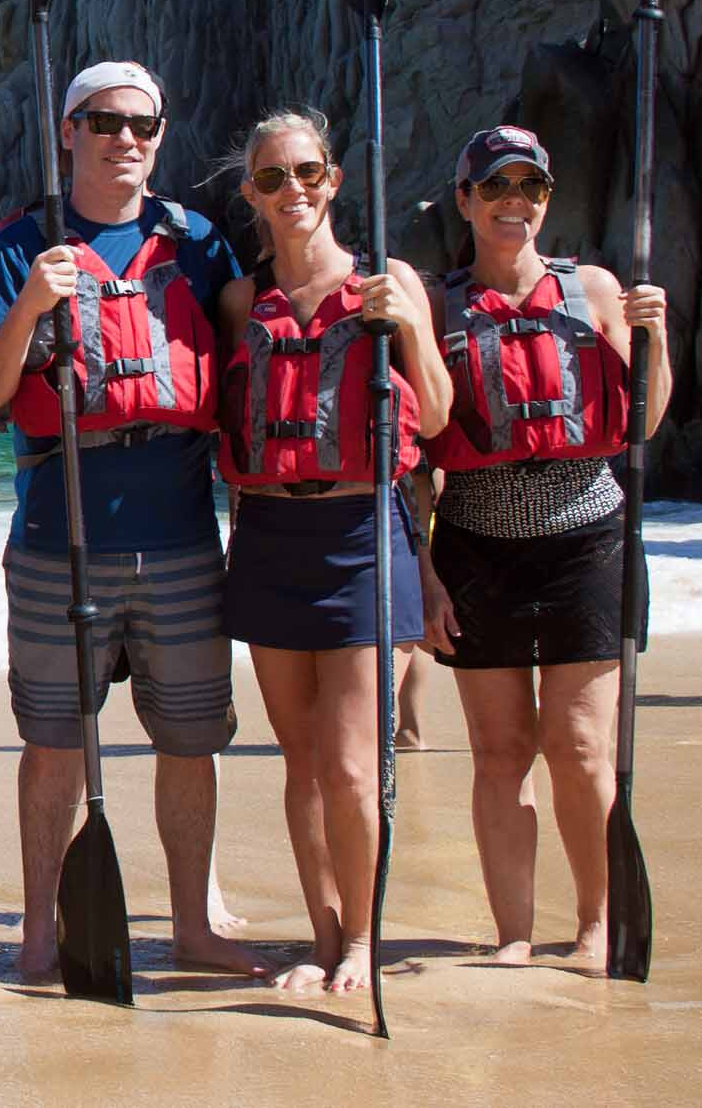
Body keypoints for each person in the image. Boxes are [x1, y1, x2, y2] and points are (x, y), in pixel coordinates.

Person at [0, 60, 268, 982]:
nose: (123, 137)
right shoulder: (22, 244)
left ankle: (193, 924)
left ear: (159, 135)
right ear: (68, 132)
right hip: (62, 543)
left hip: (179, 539)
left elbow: (258, 347)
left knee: (189, 741)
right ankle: (40, 934)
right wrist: (31, 304)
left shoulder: (202, 243)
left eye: (141, 122)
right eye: (102, 122)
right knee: (52, 740)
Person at [214, 108, 454, 995]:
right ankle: (321, 935)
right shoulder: (241, 301)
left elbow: (432, 415)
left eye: (307, 172)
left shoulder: (389, 283)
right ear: (252, 194)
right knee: (302, 761)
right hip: (271, 537)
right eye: (272, 179)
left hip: (361, 534)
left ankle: (362, 940)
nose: (292, 192)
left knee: (355, 764)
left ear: (334, 179)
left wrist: (411, 329)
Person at [421, 125, 671, 967]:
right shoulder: (438, 305)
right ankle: (515, 933)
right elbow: (413, 455)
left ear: (547, 200)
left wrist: (656, 338)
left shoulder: (591, 289)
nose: (513, 204)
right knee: (500, 750)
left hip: (586, 541)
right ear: (466, 201)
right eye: (494, 188)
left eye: (529, 188)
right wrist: (423, 572)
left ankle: (597, 921)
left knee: (579, 744)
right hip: (476, 543)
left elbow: (644, 417)